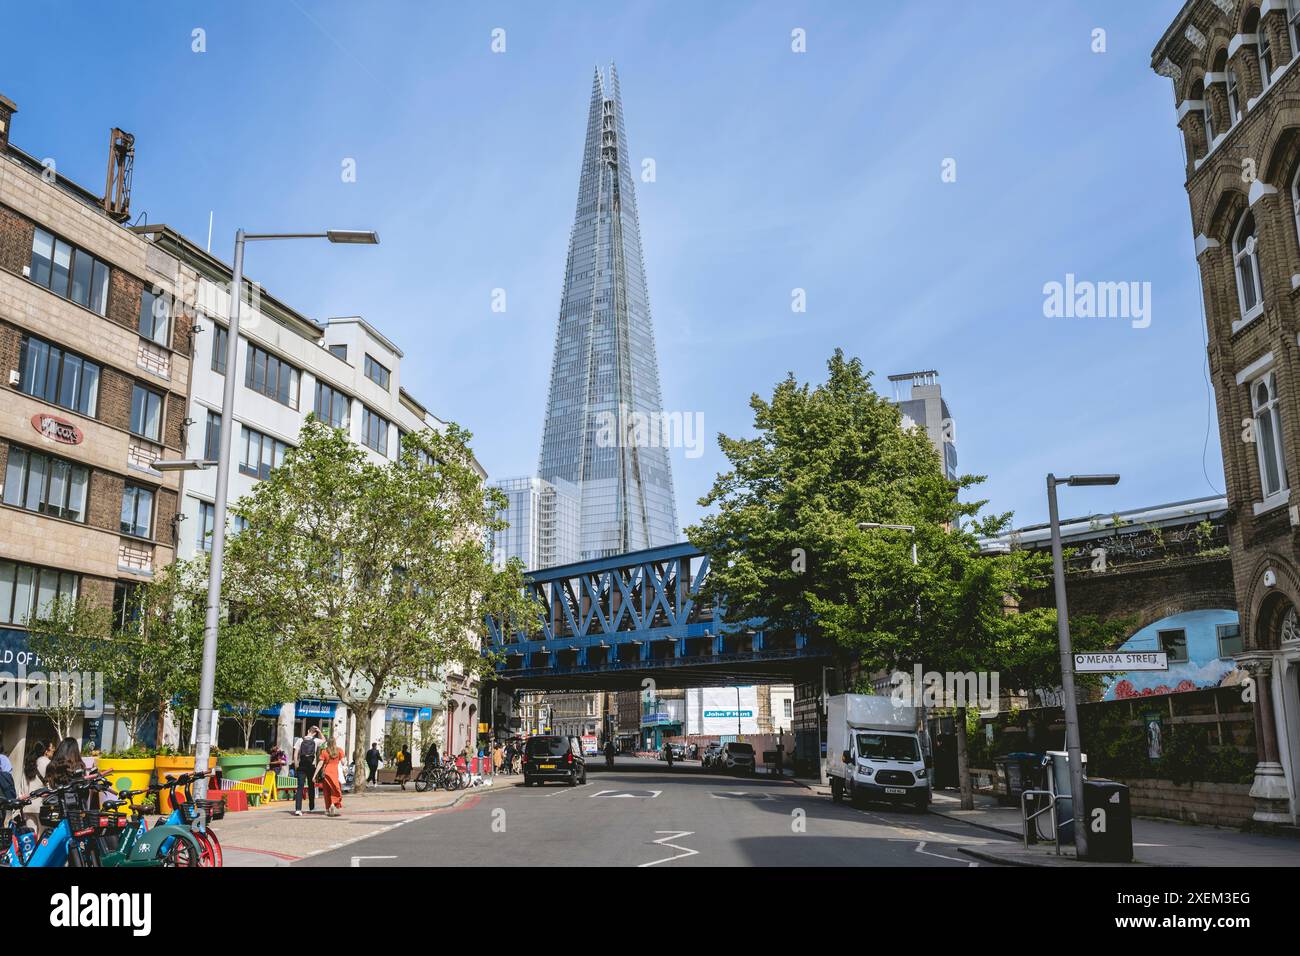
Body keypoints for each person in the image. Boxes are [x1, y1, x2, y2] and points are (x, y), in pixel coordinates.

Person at [293, 726, 321, 816]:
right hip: (311, 766)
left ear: (308, 731)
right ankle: (311, 807)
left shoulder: (300, 740)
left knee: (300, 787)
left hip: (302, 766)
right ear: (315, 733)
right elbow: (324, 740)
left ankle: (298, 809)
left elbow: (295, 753)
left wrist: (296, 765)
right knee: (311, 786)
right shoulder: (316, 740)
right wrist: (320, 732)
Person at [21, 741, 48, 831]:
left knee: (31, 836)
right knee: (42, 838)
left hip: (28, 805)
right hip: (41, 804)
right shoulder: (47, 763)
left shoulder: (28, 763)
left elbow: (23, 786)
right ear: (45, 751)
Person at [317, 736, 345, 817]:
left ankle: (327, 809)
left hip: (326, 772)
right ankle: (333, 803)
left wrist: (315, 774)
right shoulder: (339, 750)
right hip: (335, 772)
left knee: (326, 791)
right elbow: (343, 762)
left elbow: (320, 764)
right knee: (335, 789)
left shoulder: (324, 751)